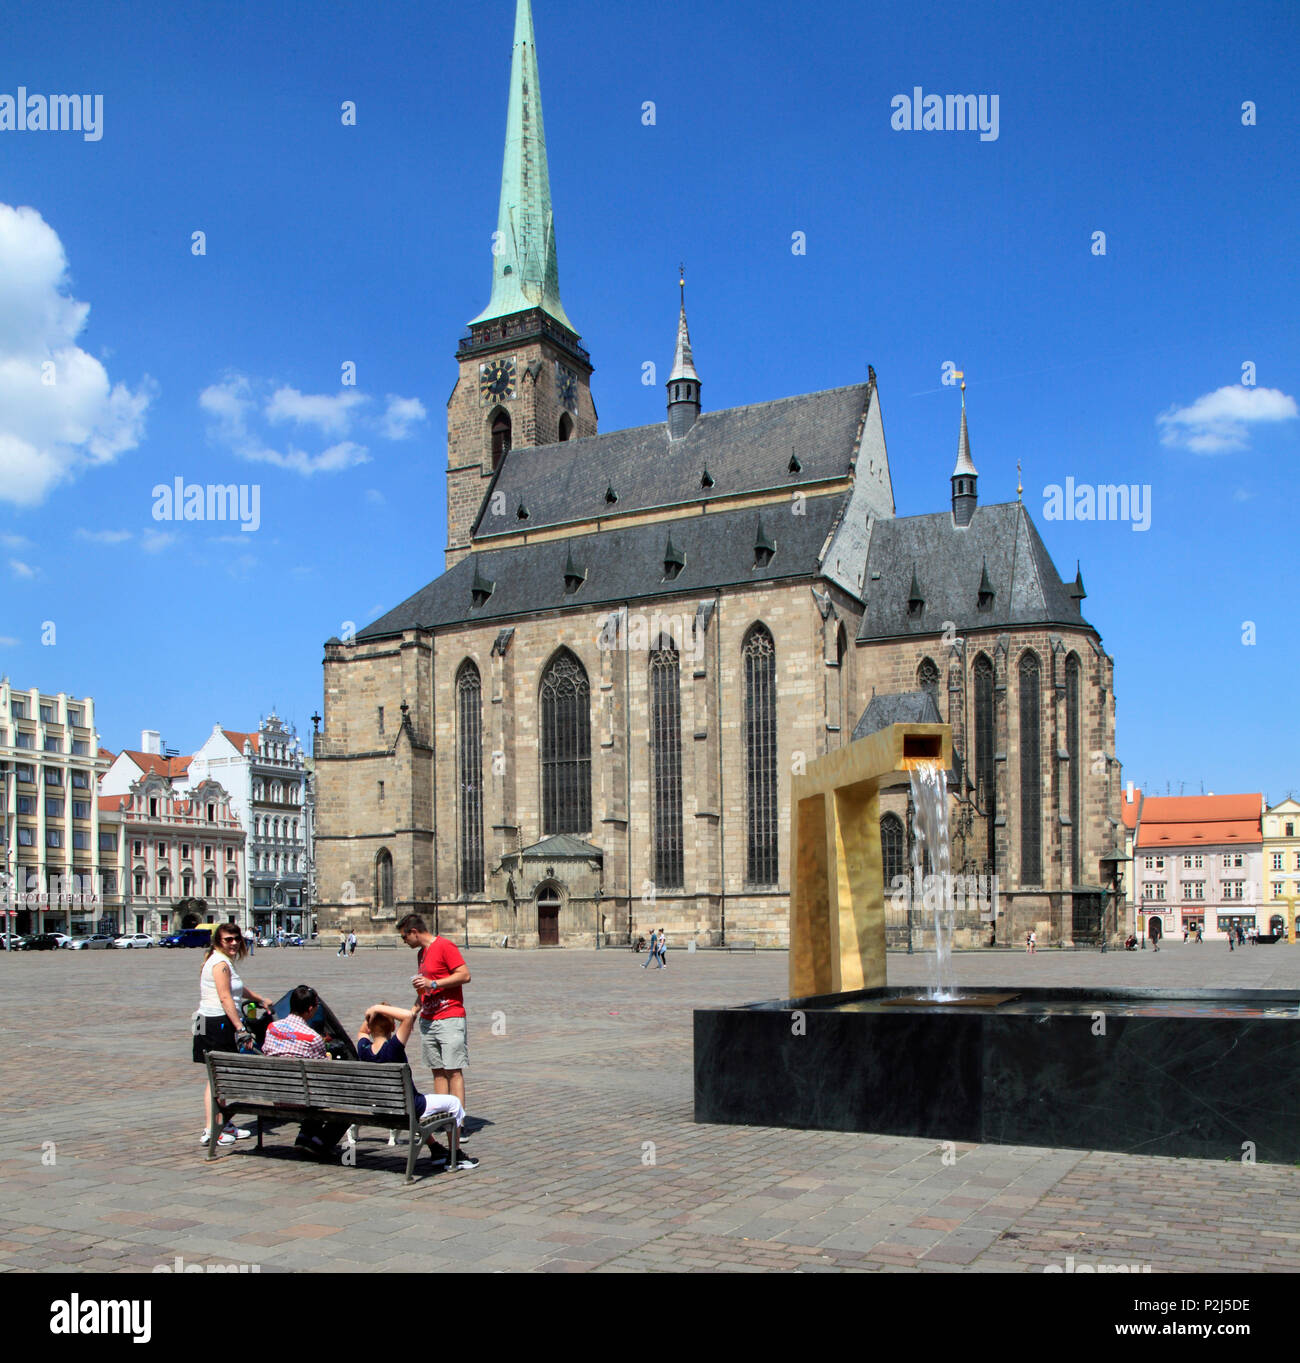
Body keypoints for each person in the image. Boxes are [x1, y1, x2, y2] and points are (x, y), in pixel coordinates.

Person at [358, 1003, 476, 1171]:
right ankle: (455, 1155)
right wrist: (377, 1008)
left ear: (369, 1027)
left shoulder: (363, 1049)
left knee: (411, 1111)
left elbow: (362, 1031)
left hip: (382, 1108)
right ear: (393, 1026)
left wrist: (371, 1014)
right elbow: (408, 1016)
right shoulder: (393, 1048)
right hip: (410, 1106)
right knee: (454, 1103)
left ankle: (436, 1149)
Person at [193, 922, 276, 1148]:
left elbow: (238, 989)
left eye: (236, 938)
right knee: (216, 1077)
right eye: (227, 939)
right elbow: (225, 997)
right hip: (216, 1022)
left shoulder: (223, 961)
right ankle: (212, 1128)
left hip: (211, 1021)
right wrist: (240, 1028)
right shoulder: (220, 964)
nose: (233, 943)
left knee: (219, 1076)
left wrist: (259, 999)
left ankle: (222, 1124)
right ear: (218, 942)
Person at [396, 913, 472, 1126]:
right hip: (428, 1020)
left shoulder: (445, 946)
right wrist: (413, 1012)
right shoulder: (421, 953)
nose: (404, 941)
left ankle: (458, 1123)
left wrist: (435, 984)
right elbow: (425, 989)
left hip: (449, 1017)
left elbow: (465, 975)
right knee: (438, 1072)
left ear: (413, 932)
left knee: (453, 1071)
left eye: (404, 937)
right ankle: (442, 1120)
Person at [262, 985, 349, 1157]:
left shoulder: (272, 1028)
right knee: (344, 1101)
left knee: (306, 1086)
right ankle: (321, 1142)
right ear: (310, 1010)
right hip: (303, 1099)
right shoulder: (312, 1037)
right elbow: (323, 1072)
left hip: (277, 1094)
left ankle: (304, 1138)